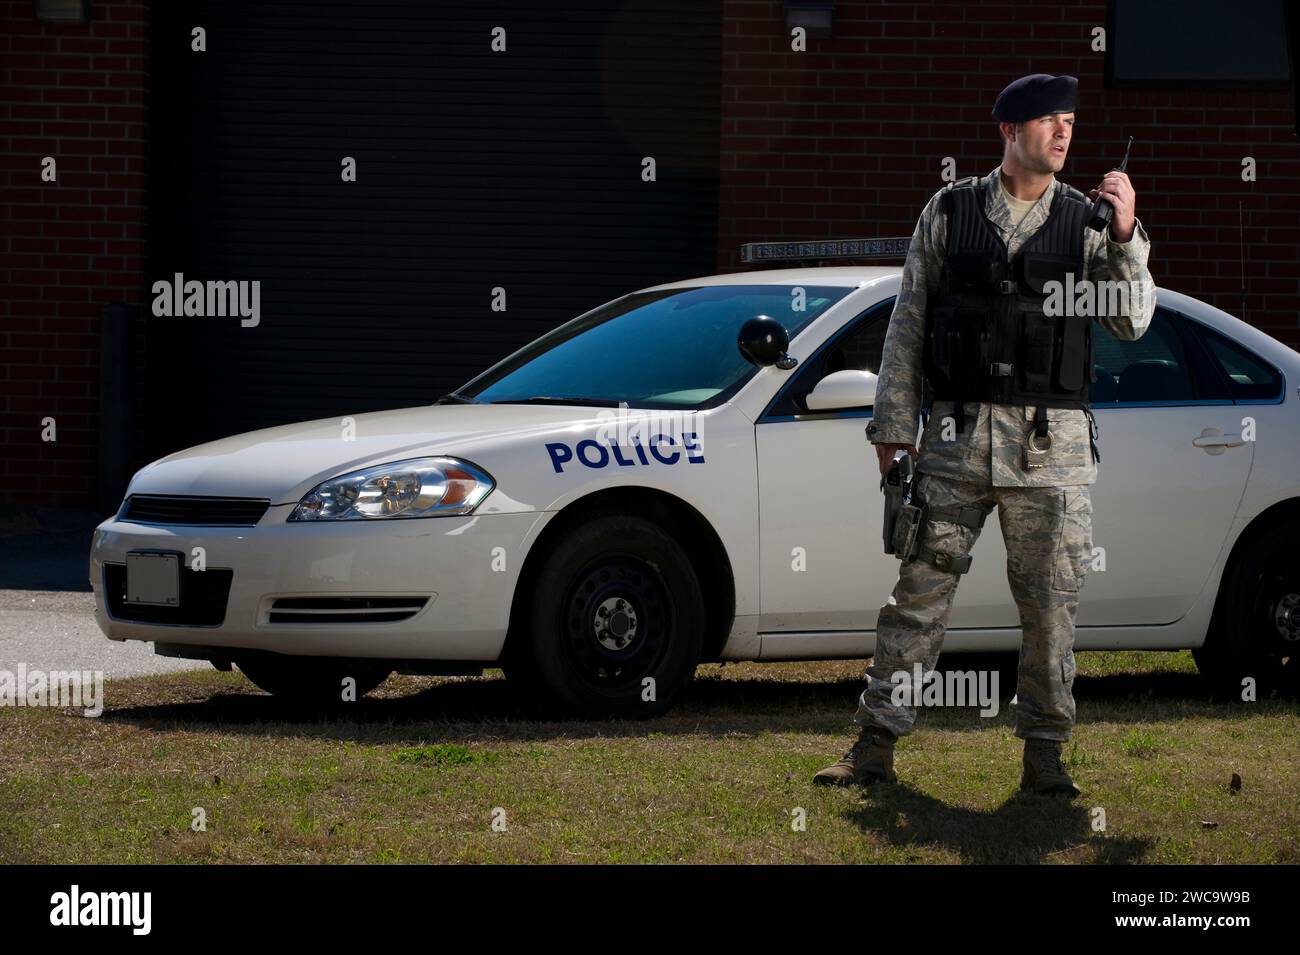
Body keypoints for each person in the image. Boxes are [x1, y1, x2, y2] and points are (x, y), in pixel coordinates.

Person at [813, 73, 1156, 797]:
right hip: (955, 443)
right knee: (917, 596)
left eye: (1068, 121)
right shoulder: (950, 210)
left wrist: (1126, 235)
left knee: (1051, 608)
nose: (1062, 133)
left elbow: (1130, 320)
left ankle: (1046, 760)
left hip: (1051, 454)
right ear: (1008, 130)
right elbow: (908, 323)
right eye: (1046, 121)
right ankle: (874, 746)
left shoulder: (1089, 221)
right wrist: (893, 426)